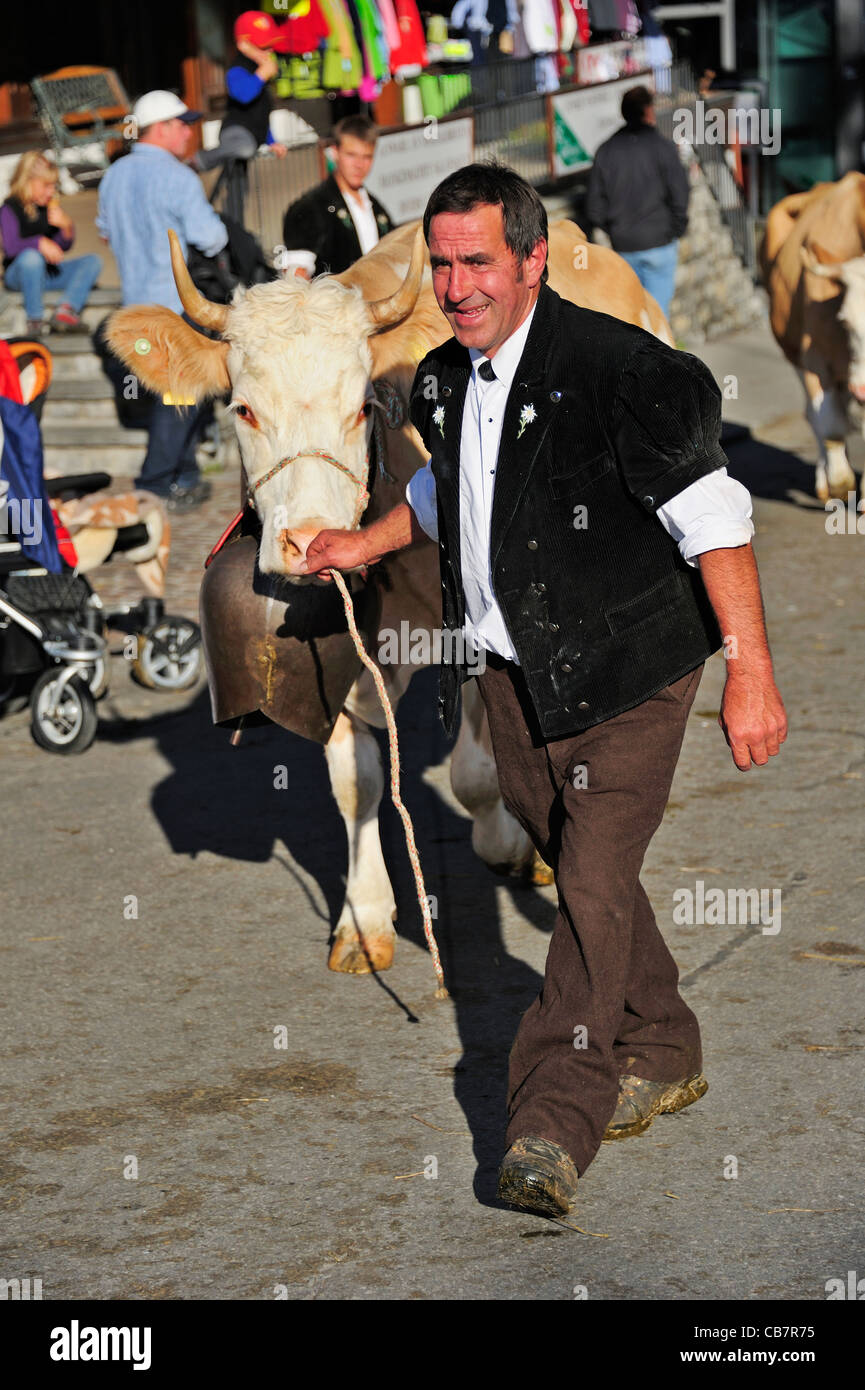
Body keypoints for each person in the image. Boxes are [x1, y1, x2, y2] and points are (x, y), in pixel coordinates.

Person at [301, 164, 788, 1217]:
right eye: (440, 261)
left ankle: (547, 1123)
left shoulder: (622, 371)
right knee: (580, 864)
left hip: (629, 673)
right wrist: (359, 539)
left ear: (531, 259)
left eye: (477, 260)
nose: (456, 282)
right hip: (516, 676)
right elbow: (445, 489)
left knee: (591, 885)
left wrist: (749, 671)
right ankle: (661, 1040)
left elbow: (718, 518)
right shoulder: (439, 378)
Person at [97, 91, 229, 511]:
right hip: (174, 311)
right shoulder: (177, 177)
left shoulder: (113, 176)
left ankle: (184, 476)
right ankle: (151, 487)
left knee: (175, 399)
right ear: (165, 127)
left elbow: (103, 231)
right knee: (180, 401)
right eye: (183, 123)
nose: (189, 132)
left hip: (134, 309)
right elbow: (212, 237)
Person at [586, 84, 689, 320]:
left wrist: (614, 230)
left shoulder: (606, 151)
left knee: (630, 319)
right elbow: (680, 193)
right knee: (657, 320)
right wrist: (676, 229)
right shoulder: (663, 147)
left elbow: (594, 207)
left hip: (624, 247)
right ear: (648, 111)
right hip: (660, 242)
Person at [191, 11, 288, 226]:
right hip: (236, 132)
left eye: (271, 46)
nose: (270, 51)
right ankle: (202, 159)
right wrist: (262, 74)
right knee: (245, 148)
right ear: (244, 45)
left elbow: (263, 115)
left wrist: (271, 141)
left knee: (237, 188)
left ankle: (235, 225)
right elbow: (243, 95)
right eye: (264, 46)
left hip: (253, 136)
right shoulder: (238, 69)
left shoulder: (259, 72)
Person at [1, 152, 102, 337]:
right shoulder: (10, 208)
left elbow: (60, 248)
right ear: (26, 181)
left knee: (92, 261)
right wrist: (38, 243)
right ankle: (35, 320)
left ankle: (66, 310)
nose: (51, 192)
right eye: (46, 185)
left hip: (46, 275)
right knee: (31, 258)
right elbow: (11, 247)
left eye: (54, 186)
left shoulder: (47, 208)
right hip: (19, 276)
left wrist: (66, 227)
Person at [280, 115, 394, 279]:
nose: (359, 165)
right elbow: (295, 278)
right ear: (335, 152)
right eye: (351, 155)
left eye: (367, 157)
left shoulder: (378, 209)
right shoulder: (310, 207)